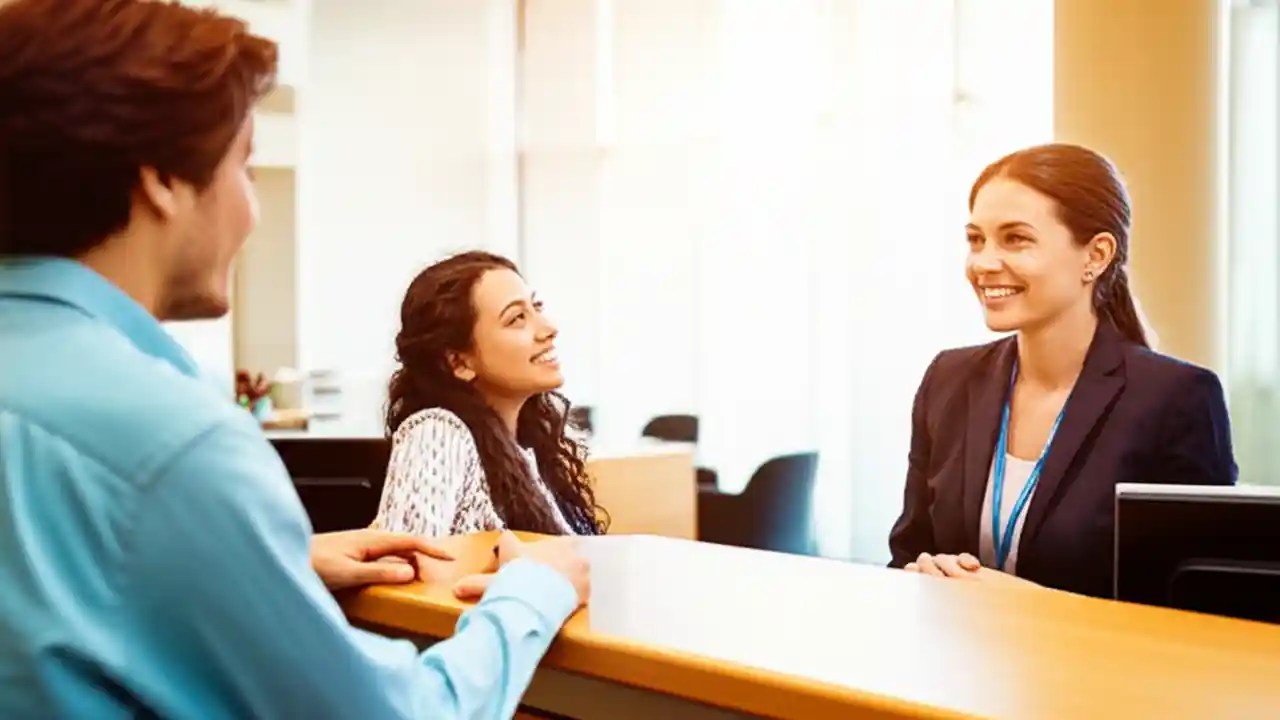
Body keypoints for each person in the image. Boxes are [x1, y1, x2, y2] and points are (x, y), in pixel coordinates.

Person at [0, 2, 588, 718]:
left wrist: (272, 561)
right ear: (160, 179)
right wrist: (534, 596)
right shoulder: (173, 444)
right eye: (243, 164)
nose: (253, 210)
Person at [888, 143, 1237, 598]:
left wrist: (1030, 605)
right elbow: (904, 557)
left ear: (1095, 256)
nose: (984, 263)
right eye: (976, 239)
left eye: (1016, 238)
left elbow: (1201, 609)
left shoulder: (1176, 398)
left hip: (1101, 670)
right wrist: (921, 577)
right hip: (957, 665)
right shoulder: (949, 379)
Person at [374, 251, 607, 538]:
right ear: (459, 363)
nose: (549, 328)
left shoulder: (529, 446)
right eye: (517, 318)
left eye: (537, 307)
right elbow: (404, 565)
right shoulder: (436, 432)